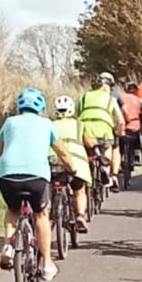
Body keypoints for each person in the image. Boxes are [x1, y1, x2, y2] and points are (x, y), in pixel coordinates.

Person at [0, 88, 76, 282]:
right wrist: (73, 168)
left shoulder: (9, 122)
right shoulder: (47, 124)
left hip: (8, 175)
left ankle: (9, 246)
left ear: (19, 106)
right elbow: (62, 152)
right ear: (42, 107)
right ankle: (46, 263)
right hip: (37, 176)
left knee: (12, 209)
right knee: (41, 214)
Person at [53, 95, 93, 231]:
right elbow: (89, 142)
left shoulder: (51, 125)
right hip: (77, 163)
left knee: (53, 187)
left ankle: (53, 214)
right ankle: (80, 216)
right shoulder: (79, 124)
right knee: (79, 190)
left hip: (54, 162)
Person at [78, 72, 125, 187]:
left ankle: (87, 171)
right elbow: (121, 120)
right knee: (107, 146)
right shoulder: (110, 99)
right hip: (104, 129)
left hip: (86, 130)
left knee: (86, 150)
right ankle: (105, 169)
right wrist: (119, 132)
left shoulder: (83, 97)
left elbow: (78, 115)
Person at [119, 80, 142, 184]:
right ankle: (135, 157)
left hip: (121, 127)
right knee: (135, 142)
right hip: (134, 127)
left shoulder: (120, 98)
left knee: (120, 145)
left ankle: (120, 161)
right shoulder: (140, 100)